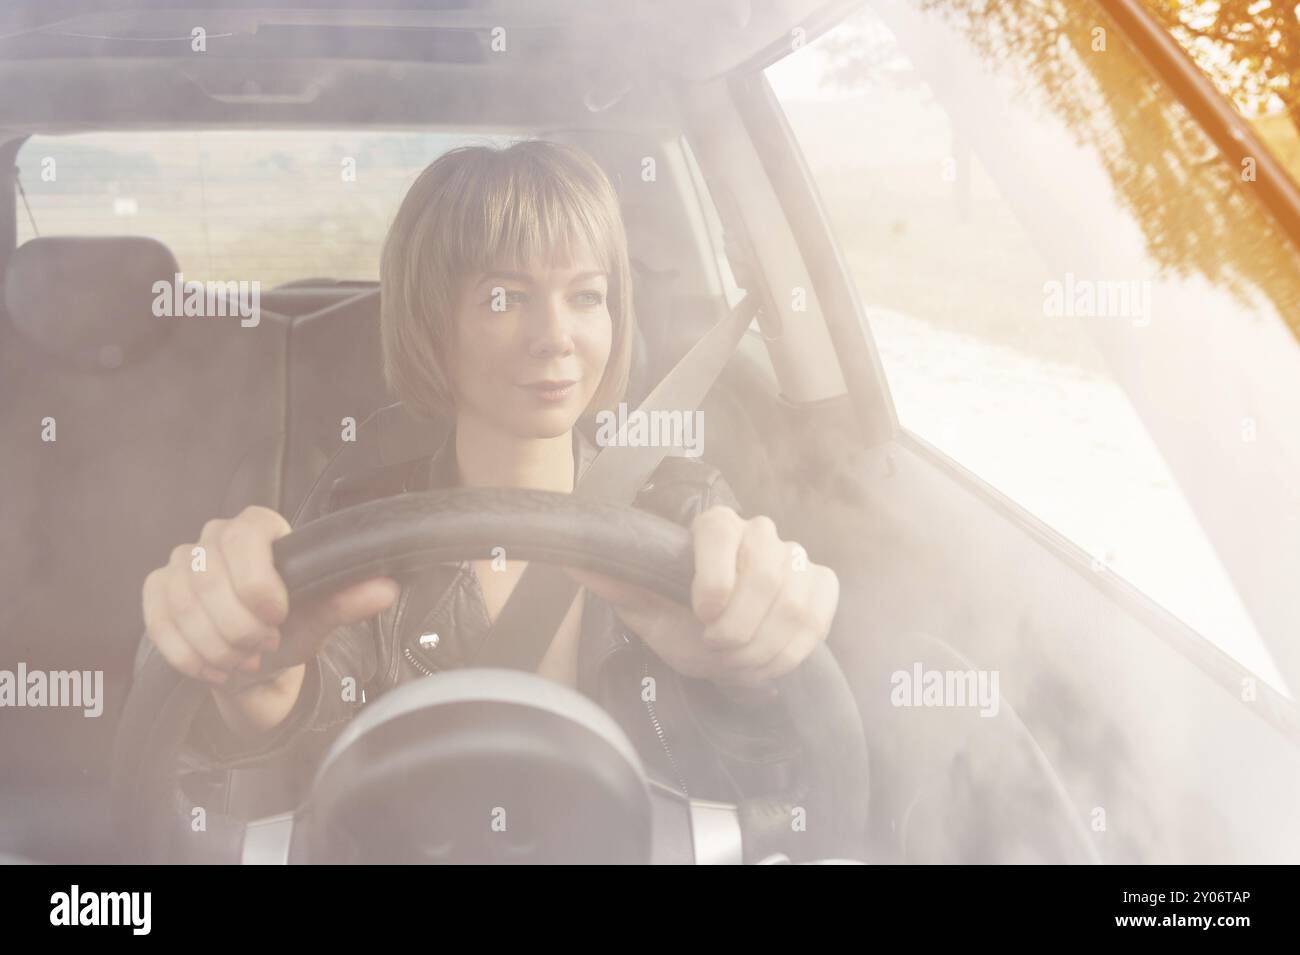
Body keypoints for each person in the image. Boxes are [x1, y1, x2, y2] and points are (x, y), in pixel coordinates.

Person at [140, 139, 840, 810]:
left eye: (587, 296)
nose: (556, 334)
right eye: (507, 297)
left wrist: (750, 666)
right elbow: (300, 721)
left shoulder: (683, 511)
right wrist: (252, 677)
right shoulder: (361, 520)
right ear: (431, 323)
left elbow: (772, 775)